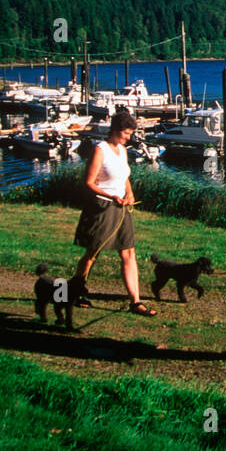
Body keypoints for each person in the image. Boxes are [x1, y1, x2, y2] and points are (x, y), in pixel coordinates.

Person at [70, 107, 155, 316]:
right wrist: (112, 197)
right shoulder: (101, 149)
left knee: (128, 252)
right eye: (126, 133)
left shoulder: (122, 150)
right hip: (102, 207)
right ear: (115, 130)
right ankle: (74, 291)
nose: (129, 137)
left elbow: (124, 176)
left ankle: (135, 301)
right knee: (92, 253)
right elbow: (88, 182)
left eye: (130, 134)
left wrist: (129, 192)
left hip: (122, 207)